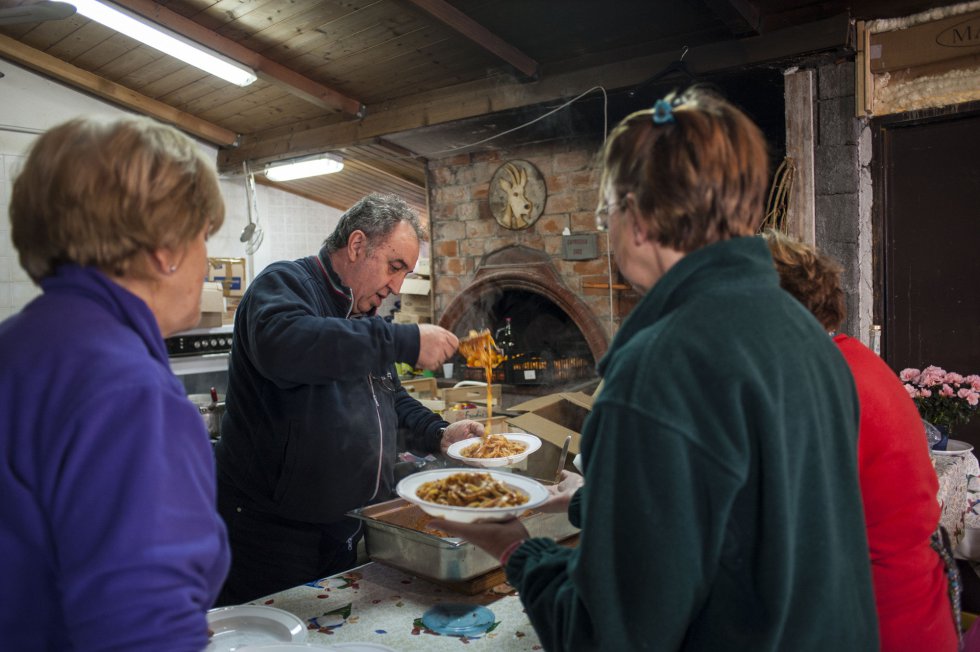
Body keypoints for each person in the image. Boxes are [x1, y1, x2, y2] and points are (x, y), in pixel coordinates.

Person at [433, 89, 879, 650]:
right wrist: (594, 500)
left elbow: (606, 636)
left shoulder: (658, 369)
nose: (608, 229)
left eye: (607, 213)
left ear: (638, 219)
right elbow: (742, 515)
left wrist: (516, 548)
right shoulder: (807, 337)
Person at [0, 116, 230, 650]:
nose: (207, 265)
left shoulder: (16, 345)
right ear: (164, 250)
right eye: (202, 237)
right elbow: (144, 631)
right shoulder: (130, 391)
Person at [214, 192, 481, 605]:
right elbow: (285, 345)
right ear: (357, 245)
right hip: (271, 535)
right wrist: (405, 339)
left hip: (348, 528)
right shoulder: (284, 284)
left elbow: (388, 399)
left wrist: (441, 433)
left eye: (406, 273)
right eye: (395, 268)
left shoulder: (363, 321)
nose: (396, 286)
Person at [763, 228, 959, 651]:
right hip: (912, 610)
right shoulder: (849, 358)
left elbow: (781, 528)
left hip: (876, 622)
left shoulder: (817, 384)